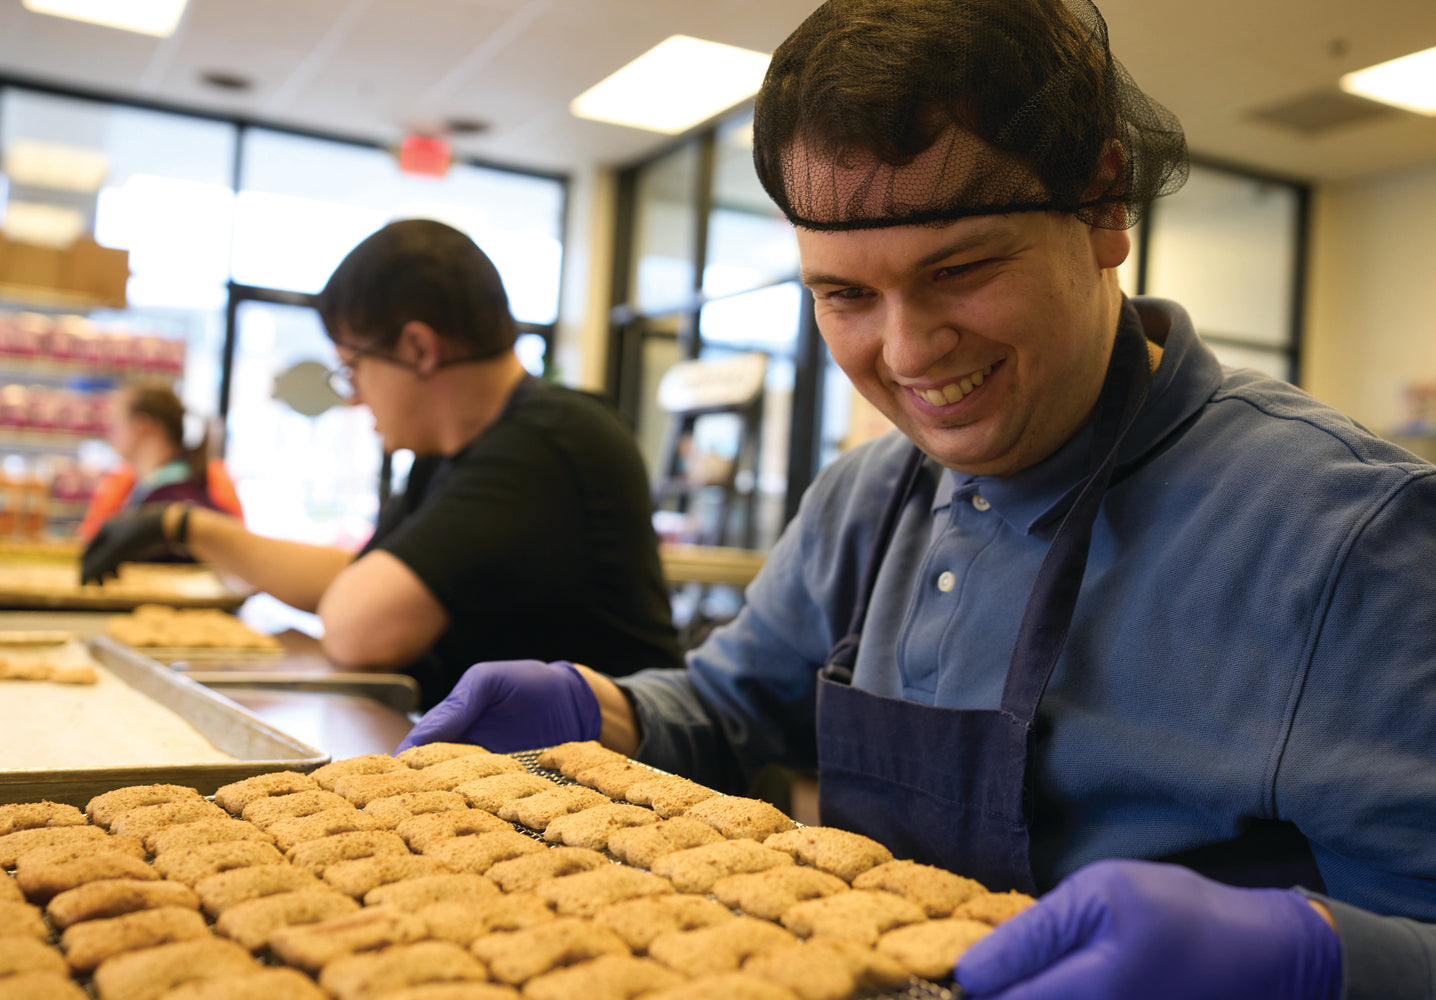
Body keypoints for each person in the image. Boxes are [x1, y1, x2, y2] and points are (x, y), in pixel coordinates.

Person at [395, 0, 1436, 996]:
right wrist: (607, 709)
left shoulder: (1349, 540)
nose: (905, 352)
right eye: (846, 295)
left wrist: (1327, 958)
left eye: (961, 270)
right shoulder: (869, 498)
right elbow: (727, 710)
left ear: (1103, 205)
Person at [82, 219, 684, 707]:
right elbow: (357, 577)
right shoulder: (446, 452)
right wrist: (185, 526)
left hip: (625, 792)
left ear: (419, 349)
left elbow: (359, 627)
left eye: (354, 366)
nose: (353, 395)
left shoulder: (551, 441)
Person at [76, 385, 243, 542]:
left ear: (143, 426)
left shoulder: (169, 501)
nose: (108, 434)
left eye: (115, 424)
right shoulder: (152, 488)